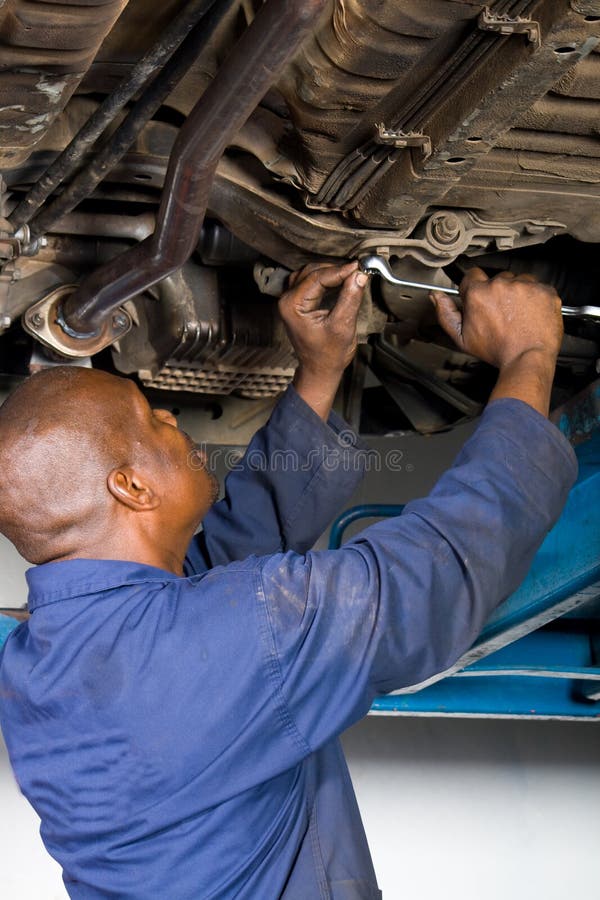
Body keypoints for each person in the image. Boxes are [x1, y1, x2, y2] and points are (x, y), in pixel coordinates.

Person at [0, 261, 576, 899]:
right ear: (132, 487)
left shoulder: (45, 664)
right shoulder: (223, 637)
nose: (168, 411)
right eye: (151, 418)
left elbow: (215, 578)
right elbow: (440, 571)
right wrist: (529, 352)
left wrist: (321, 371)